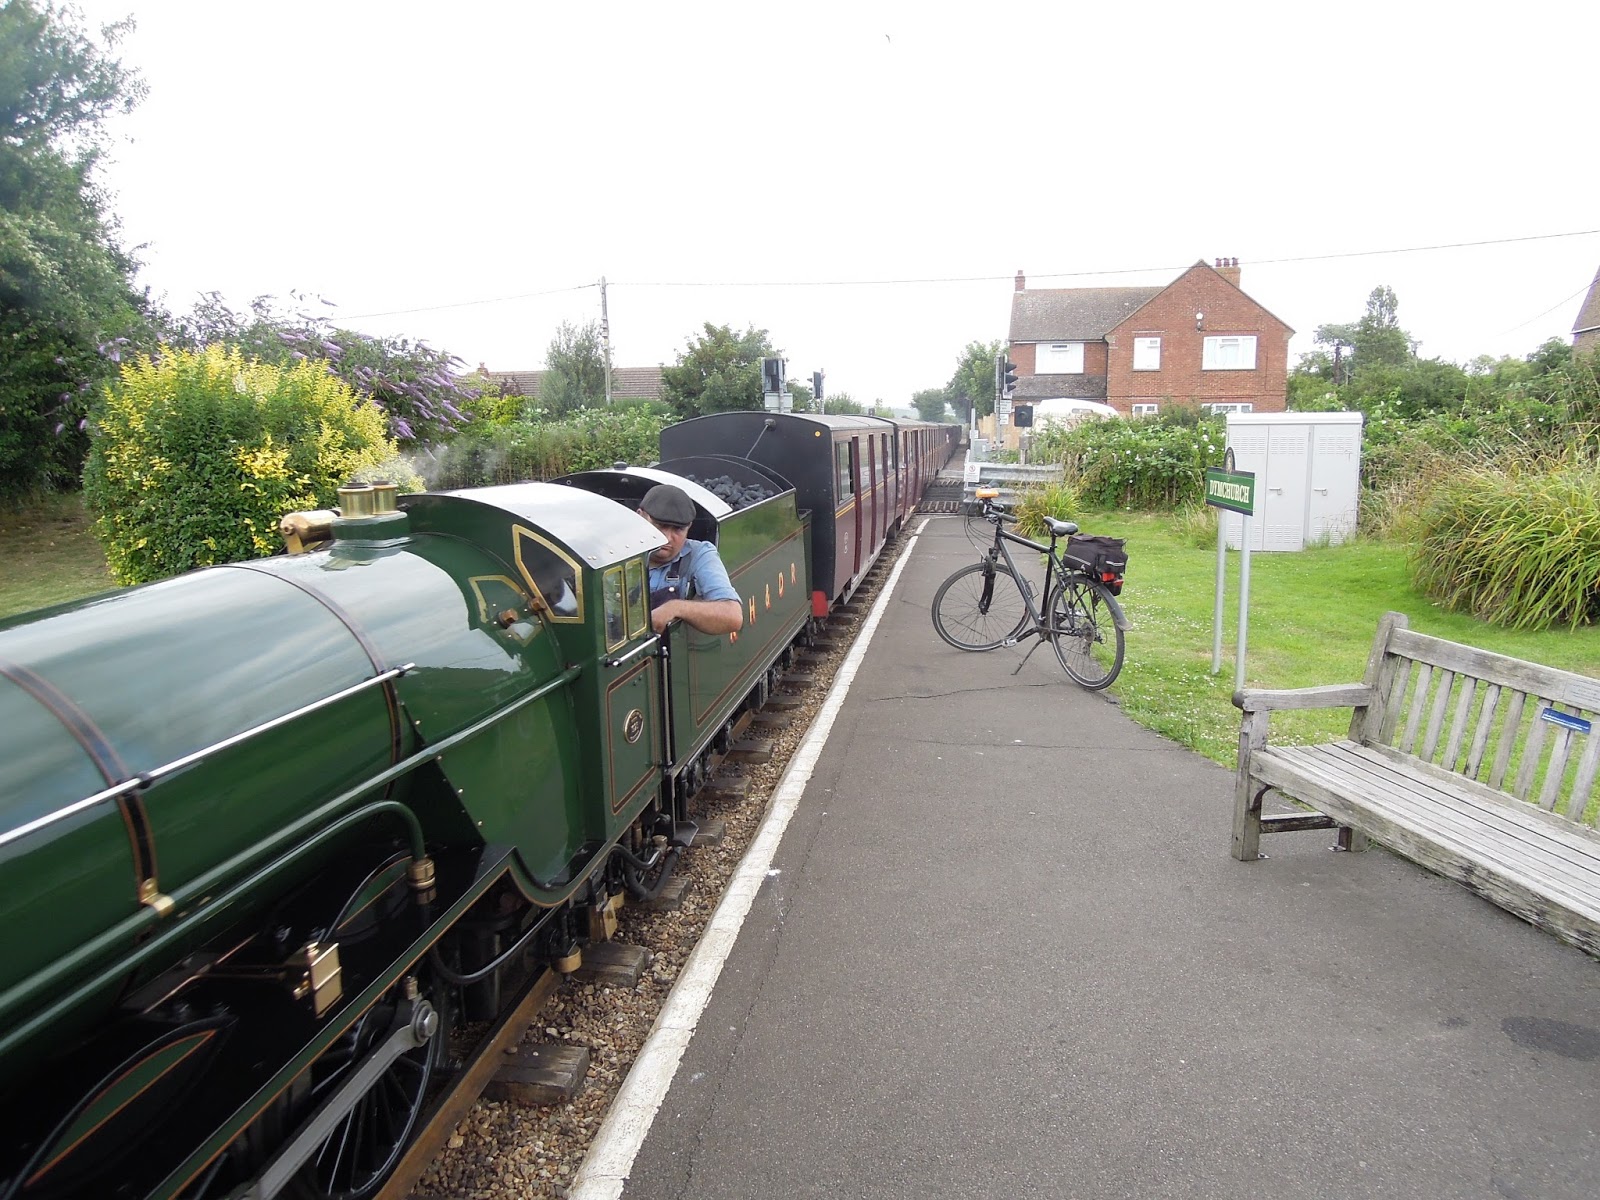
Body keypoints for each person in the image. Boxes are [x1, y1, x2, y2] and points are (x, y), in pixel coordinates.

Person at [637, 483, 744, 635]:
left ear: (689, 527)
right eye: (660, 526)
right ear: (640, 516)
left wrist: (675, 608)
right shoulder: (616, 550)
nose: (667, 538)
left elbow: (732, 615)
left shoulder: (699, 554)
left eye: (678, 529)